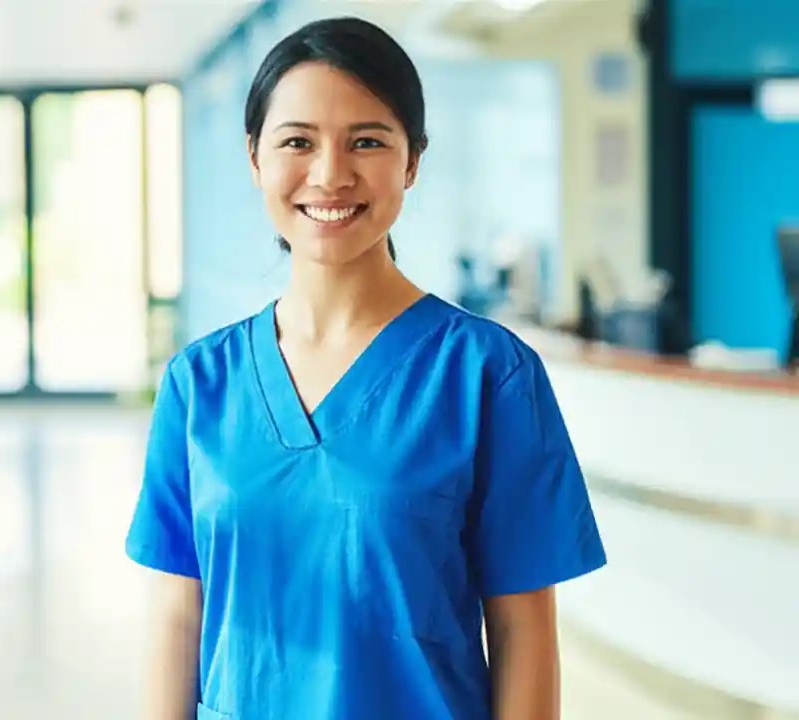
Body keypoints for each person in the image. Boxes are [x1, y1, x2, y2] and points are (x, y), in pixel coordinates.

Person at [124, 16, 607, 720]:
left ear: (411, 161)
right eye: (297, 142)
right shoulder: (200, 384)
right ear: (255, 157)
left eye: (367, 141)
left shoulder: (487, 376)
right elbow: (177, 615)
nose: (330, 174)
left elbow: (523, 629)